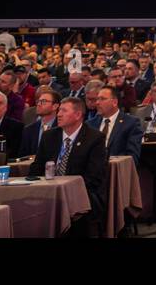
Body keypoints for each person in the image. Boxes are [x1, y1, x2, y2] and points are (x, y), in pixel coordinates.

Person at [34, 97, 108, 234]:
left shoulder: (94, 138)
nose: (59, 114)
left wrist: (65, 191)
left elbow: (93, 177)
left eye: (63, 110)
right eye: (59, 110)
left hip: (81, 194)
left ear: (78, 115)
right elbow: (36, 168)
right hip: (48, 192)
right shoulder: (49, 136)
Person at [95, 85, 143, 167]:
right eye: (97, 99)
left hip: (118, 171)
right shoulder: (90, 124)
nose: (97, 103)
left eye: (102, 99)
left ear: (114, 102)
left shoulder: (131, 123)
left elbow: (132, 157)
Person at [20, 89, 61, 158]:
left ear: (55, 106)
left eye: (43, 101)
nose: (38, 104)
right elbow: (22, 156)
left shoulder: (62, 127)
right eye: (38, 101)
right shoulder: (29, 130)